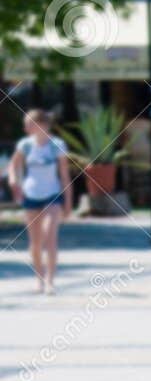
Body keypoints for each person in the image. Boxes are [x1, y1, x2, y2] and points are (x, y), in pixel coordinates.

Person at [7, 110, 73, 295]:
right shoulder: (25, 145)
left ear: (42, 125)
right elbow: (13, 165)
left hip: (52, 194)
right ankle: (39, 279)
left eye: (29, 123)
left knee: (50, 237)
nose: (25, 127)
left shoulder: (57, 145)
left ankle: (50, 281)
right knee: (35, 242)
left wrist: (68, 204)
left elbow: (65, 176)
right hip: (31, 194)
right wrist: (13, 180)